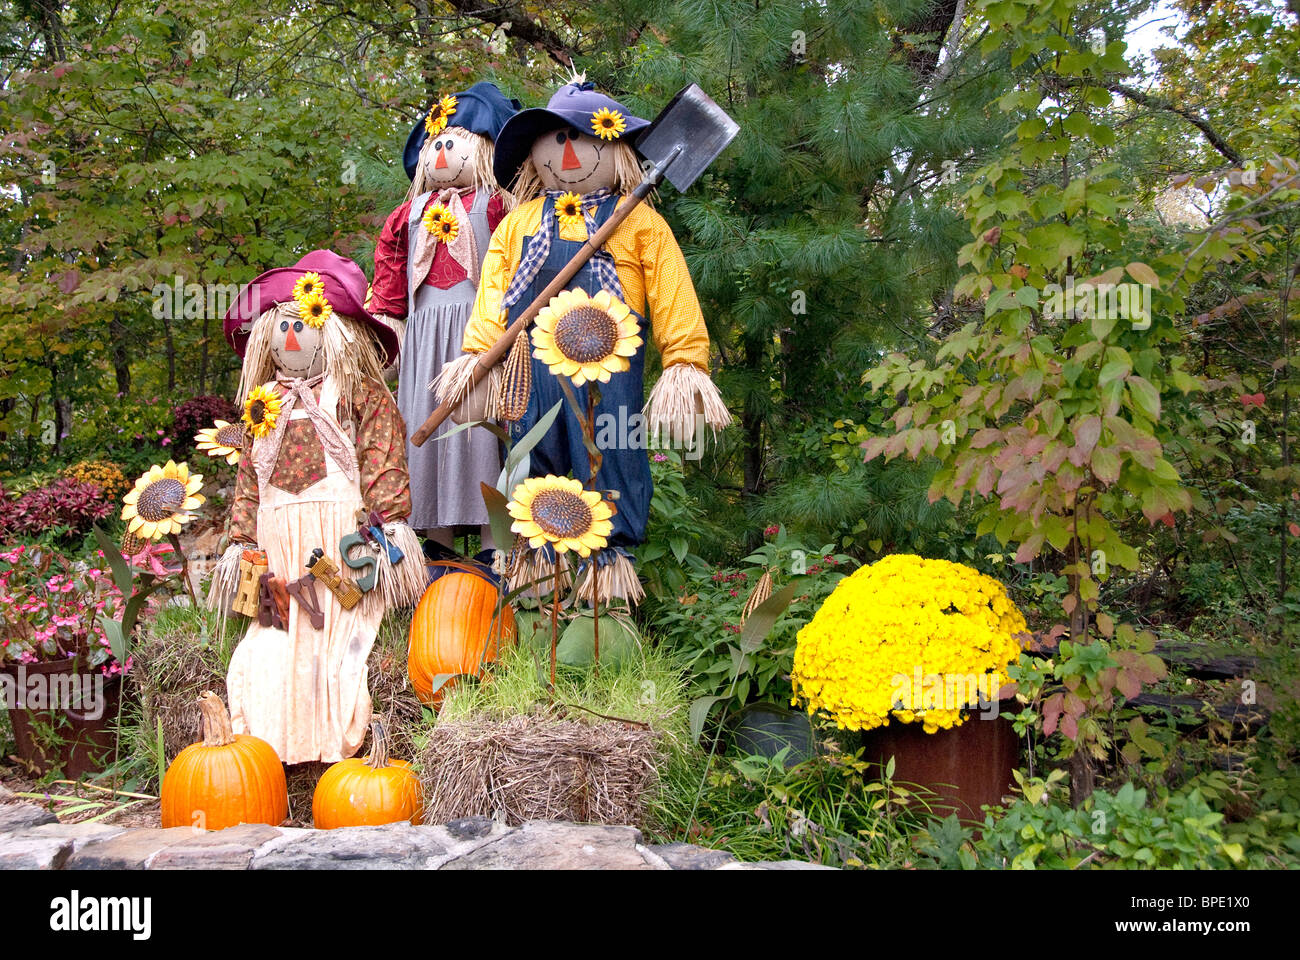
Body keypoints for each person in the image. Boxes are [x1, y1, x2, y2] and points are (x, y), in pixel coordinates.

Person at [438, 79, 730, 604]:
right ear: (532, 155)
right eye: (553, 140)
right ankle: (538, 590)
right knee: (533, 461)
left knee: (613, 461)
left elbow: (670, 289)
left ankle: (607, 591)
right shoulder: (519, 224)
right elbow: (493, 292)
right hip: (533, 370)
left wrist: (684, 359)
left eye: (581, 138)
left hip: (612, 373)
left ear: (615, 148)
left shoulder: (639, 222)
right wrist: (478, 358)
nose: (567, 152)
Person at [211, 250, 424, 764]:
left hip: (338, 546)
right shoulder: (262, 406)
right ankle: (265, 749)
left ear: (336, 333)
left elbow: (383, 455)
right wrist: (241, 542)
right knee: (265, 653)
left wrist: (389, 524)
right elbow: (248, 480)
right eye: (281, 327)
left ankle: (335, 742)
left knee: (342, 651)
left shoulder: (358, 392)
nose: (290, 338)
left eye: (303, 324)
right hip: (278, 556)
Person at [370, 81, 520, 553]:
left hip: (480, 337)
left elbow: (517, 260)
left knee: (481, 432)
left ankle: (494, 539)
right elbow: (390, 273)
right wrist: (386, 325)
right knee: (425, 429)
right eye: (434, 144)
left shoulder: (496, 205)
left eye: (451, 143)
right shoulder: (407, 214)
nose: (439, 154)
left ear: (480, 150)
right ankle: (435, 542)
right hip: (422, 341)